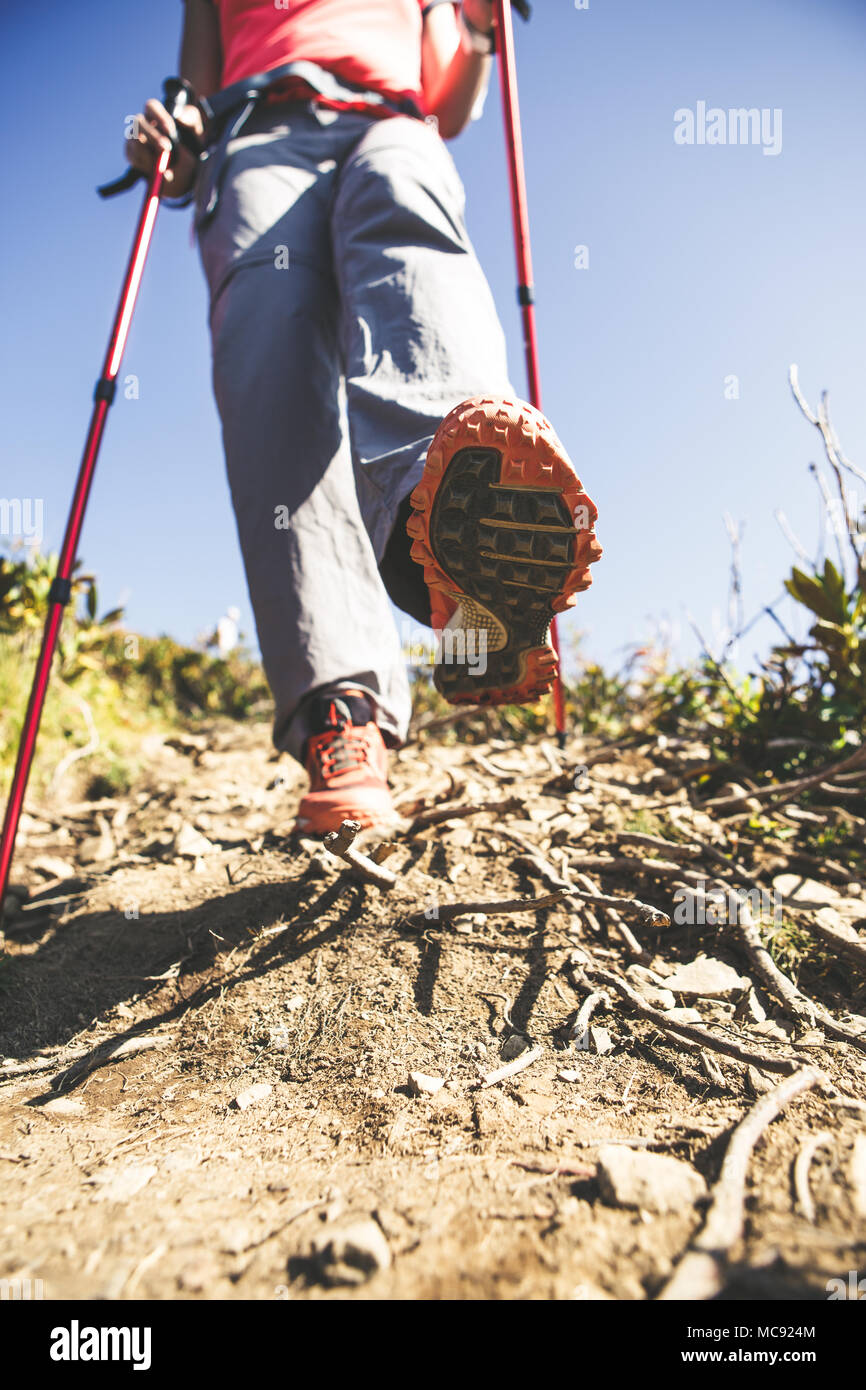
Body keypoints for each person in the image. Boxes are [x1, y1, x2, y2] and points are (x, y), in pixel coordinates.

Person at [126, 0, 601, 832]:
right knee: (269, 371)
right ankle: (342, 711)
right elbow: (195, 104)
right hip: (257, 138)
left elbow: (450, 102)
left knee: (407, 236)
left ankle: (463, 538)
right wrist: (177, 148)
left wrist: (483, 31)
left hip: (391, 121)